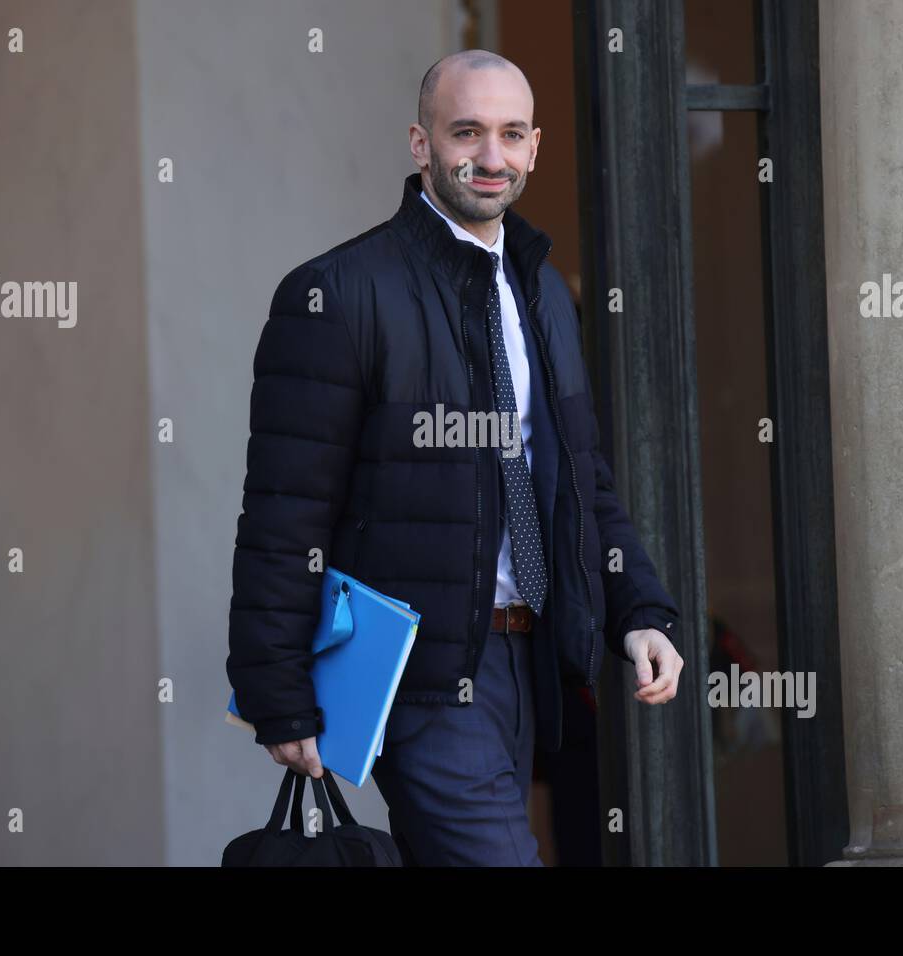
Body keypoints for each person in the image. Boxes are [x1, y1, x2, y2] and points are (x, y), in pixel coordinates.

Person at [227, 49, 684, 866]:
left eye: (511, 134)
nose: (491, 156)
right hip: (425, 679)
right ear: (420, 142)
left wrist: (638, 611)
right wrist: (276, 693)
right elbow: (283, 509)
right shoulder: (337, 293)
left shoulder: (542, 291)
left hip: (536, 662)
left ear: (536, 147)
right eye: (466, 131)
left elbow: (580, 478)